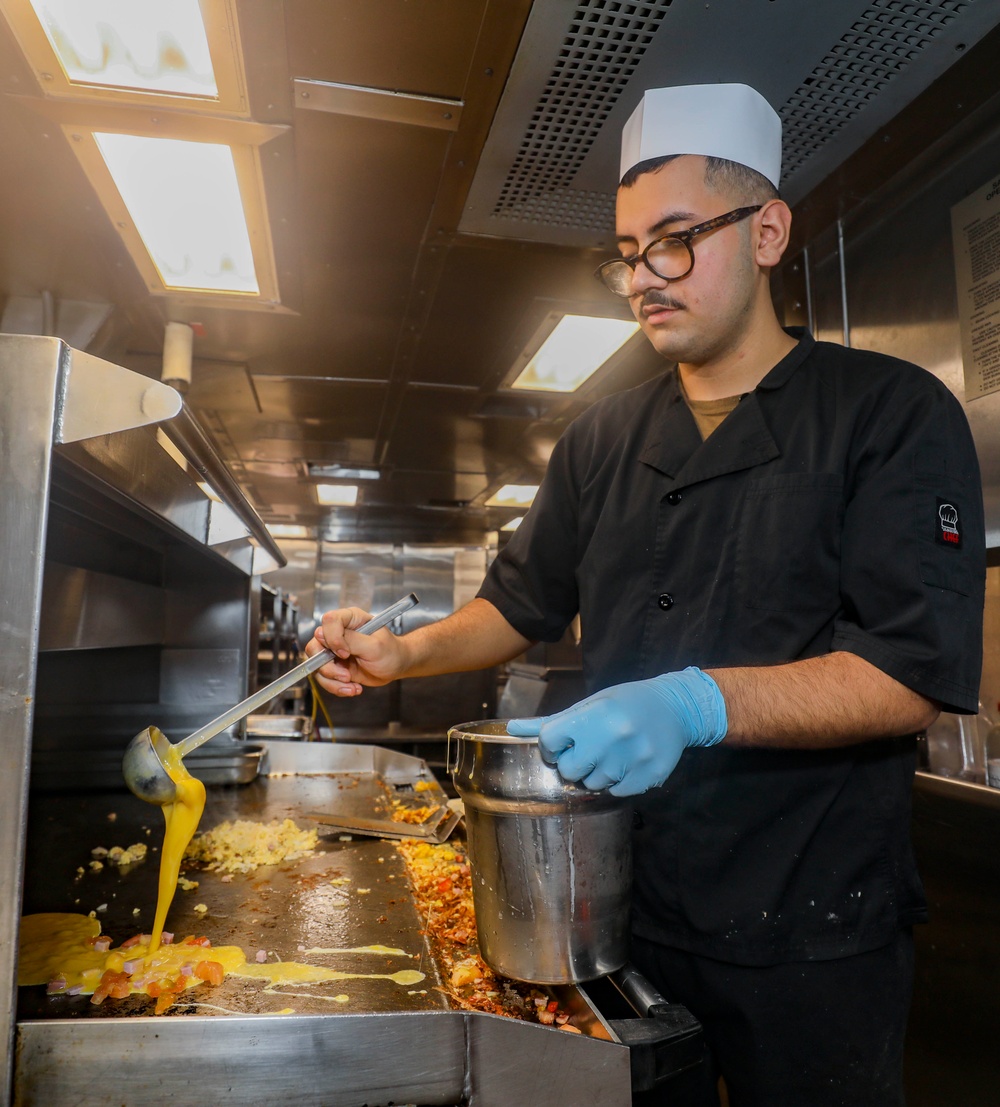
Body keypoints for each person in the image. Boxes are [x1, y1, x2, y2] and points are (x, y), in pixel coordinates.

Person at [308, 83, 985, 1106]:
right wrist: (403, 656)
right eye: (626, 250)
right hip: (615, 909)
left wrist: (692, 704)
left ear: (765, 232)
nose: (642, 277)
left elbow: (911, 671)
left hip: (811, 924)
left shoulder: (886, 414)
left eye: (674, 241)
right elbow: (518, 606)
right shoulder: (600, 439)